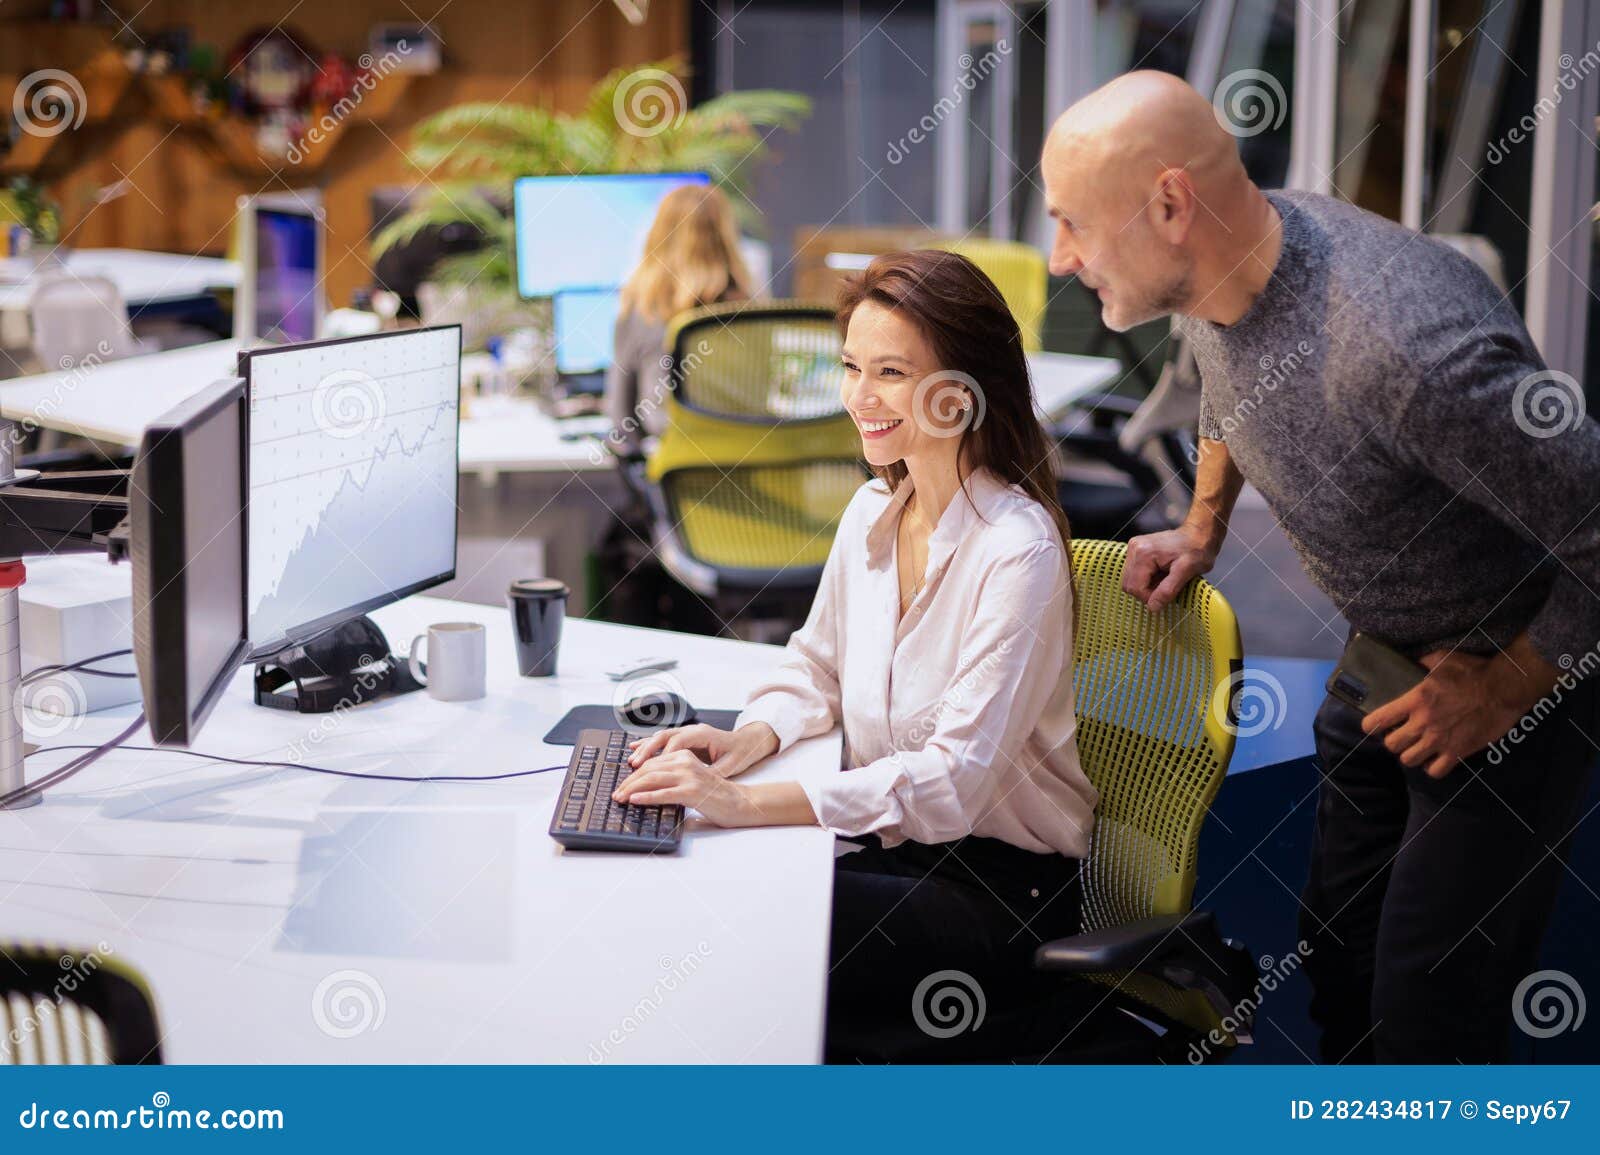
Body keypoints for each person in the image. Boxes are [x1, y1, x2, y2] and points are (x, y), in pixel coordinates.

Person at [1042, 70, 1600, 1062]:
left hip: (1514, 661)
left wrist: (1513, 682)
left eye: (1072, 225)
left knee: (1430, 1008)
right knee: (1336, 960)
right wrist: (1202, 525)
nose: (1057, 259)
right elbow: (1224, 375)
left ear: (1169, 204)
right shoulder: (1218, 264)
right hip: (1382, 641)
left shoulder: (1405, 353)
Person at [613, 249, 1097, 1061]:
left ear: (962, 391)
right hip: (900, 850)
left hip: (1001, 891)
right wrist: (750, 738)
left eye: (891, 373)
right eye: (850, 366)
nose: (858, 398)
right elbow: (816, 665)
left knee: (743, 932)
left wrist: (745, 803)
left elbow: (954, 780)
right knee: (714, 894)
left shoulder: (1016, 550)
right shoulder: (875, 508)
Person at [604, 184, 752, 453]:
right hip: (748, 465)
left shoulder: (641, 311)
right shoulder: (751, 311)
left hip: (675, 473)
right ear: (726, 237)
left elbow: (622, 421)